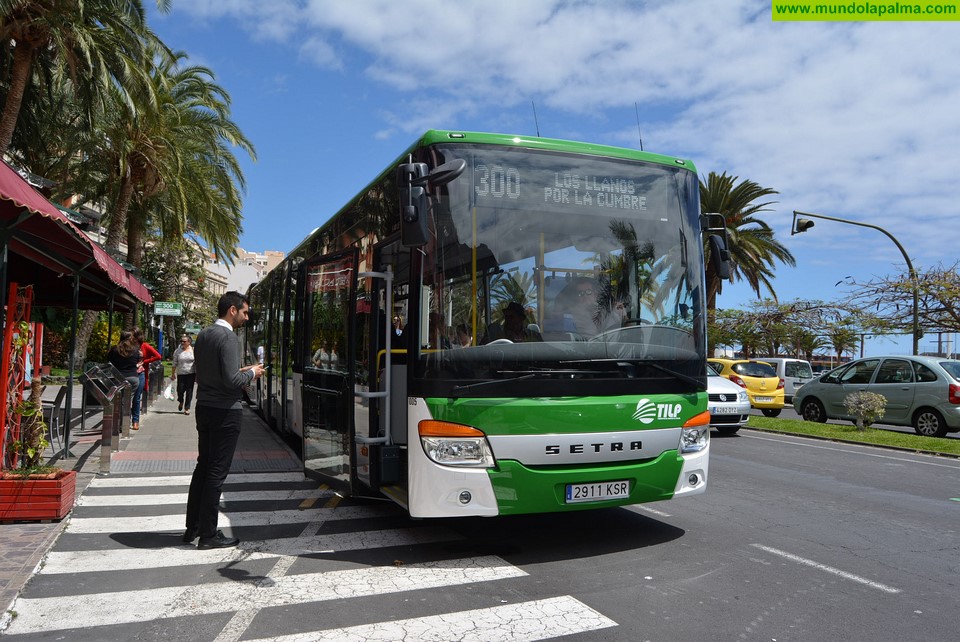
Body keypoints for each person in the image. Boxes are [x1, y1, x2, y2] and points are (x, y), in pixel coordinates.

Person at [183, 291, 266, 550]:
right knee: (217, 473)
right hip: (225, 411)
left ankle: (192, 527)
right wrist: (252, 373)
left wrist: (239, 372)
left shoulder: (204, 335)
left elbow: (211, 373)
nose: (246, 316)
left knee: (203, 467)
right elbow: (231, 381)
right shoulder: (229, 337)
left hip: (204, 407)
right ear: (232, 310)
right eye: (244, 312)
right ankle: (208, 534)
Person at [107, 331, 142, 429]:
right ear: (131, 338)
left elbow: (109, 361)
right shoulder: (135, 350)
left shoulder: (114, 349)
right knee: (127, 401)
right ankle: (124, 423)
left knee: (118, 401)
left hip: (118, 377)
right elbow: (138, 360)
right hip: (133, 378)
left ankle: (119, 424)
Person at [132, 327, 161, 425]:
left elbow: (158, 356)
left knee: (137, 397)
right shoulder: (128, 345)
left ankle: (135, 420)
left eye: (133, 335)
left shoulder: (144, 346)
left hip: (141, 373)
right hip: (128, 373)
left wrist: (145, 361)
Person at [171, 335, 196, 415]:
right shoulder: (178, 351)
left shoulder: (193, 350)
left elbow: (196, 363)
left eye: (184, 341)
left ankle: (187, 408)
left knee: (189, 391)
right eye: (181, 341)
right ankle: (181, 401)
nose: (182, 343)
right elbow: (174, 363)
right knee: (180, 390)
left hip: (191, 373)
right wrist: (173, 374)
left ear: (189, 342)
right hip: (181, 373)